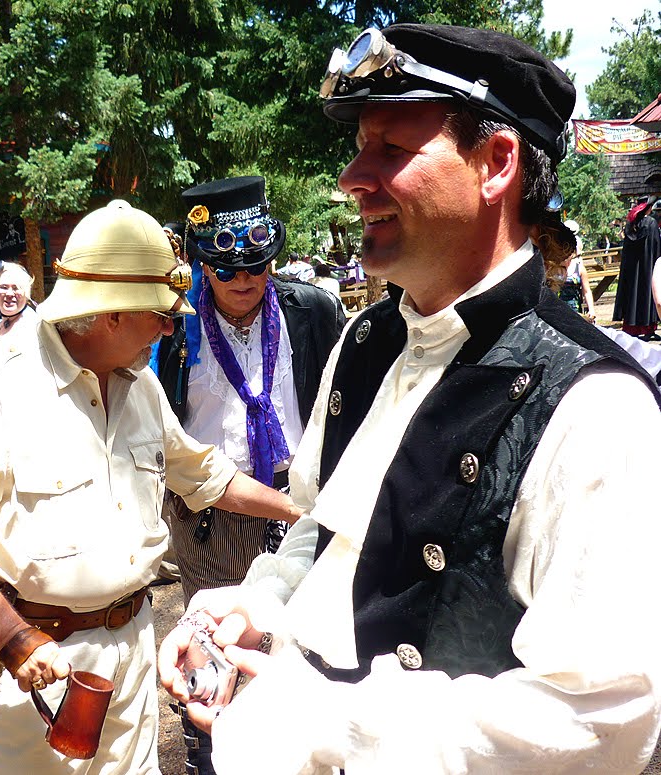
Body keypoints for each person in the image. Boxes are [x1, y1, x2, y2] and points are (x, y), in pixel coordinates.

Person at [160, 23, 661, 774]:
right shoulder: (365, 342)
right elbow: (323, 529)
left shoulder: (597, 406)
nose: (353, 178)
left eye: (390, 150)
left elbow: (601, 719)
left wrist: (329, 725)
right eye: (360, 148)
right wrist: (258, 606)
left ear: (496, 163)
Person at [0, 199, 300, 775]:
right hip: (41, 673)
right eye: (160, 314)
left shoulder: (141, 384)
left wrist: (302, 514)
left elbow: (203, 474)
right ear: (112, 314)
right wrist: (16, 640)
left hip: (134, 650)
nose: (172, 327)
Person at [157, 176, 346, 774]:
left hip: (296, 494)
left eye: (256, 267)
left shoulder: (310, 312)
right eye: (227, 270)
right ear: (202, 267)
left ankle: (293, 748)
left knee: (295, 627)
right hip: (208, 509)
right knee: (213, 636)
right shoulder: (177, 331)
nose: (243, 280)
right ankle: (208, 752)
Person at [613, 197, 661, 341]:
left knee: (632, 296)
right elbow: (656, 247)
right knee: (647, 295)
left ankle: (631, 328)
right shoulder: (651, 223)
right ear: (649, 208)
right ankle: (647, 329)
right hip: (648, 268)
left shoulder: (630, 224)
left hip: (632, 271)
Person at [0, 261, 38, 350]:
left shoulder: (33, 327)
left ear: (26, 293)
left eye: (16, 288)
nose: (9, 294)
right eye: (3, 287)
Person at [557, 220, 595, 322]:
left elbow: (586, 291)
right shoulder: (553, 269)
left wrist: (591, 309)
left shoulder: (579, 268)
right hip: (557, 311)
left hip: (575, 310)